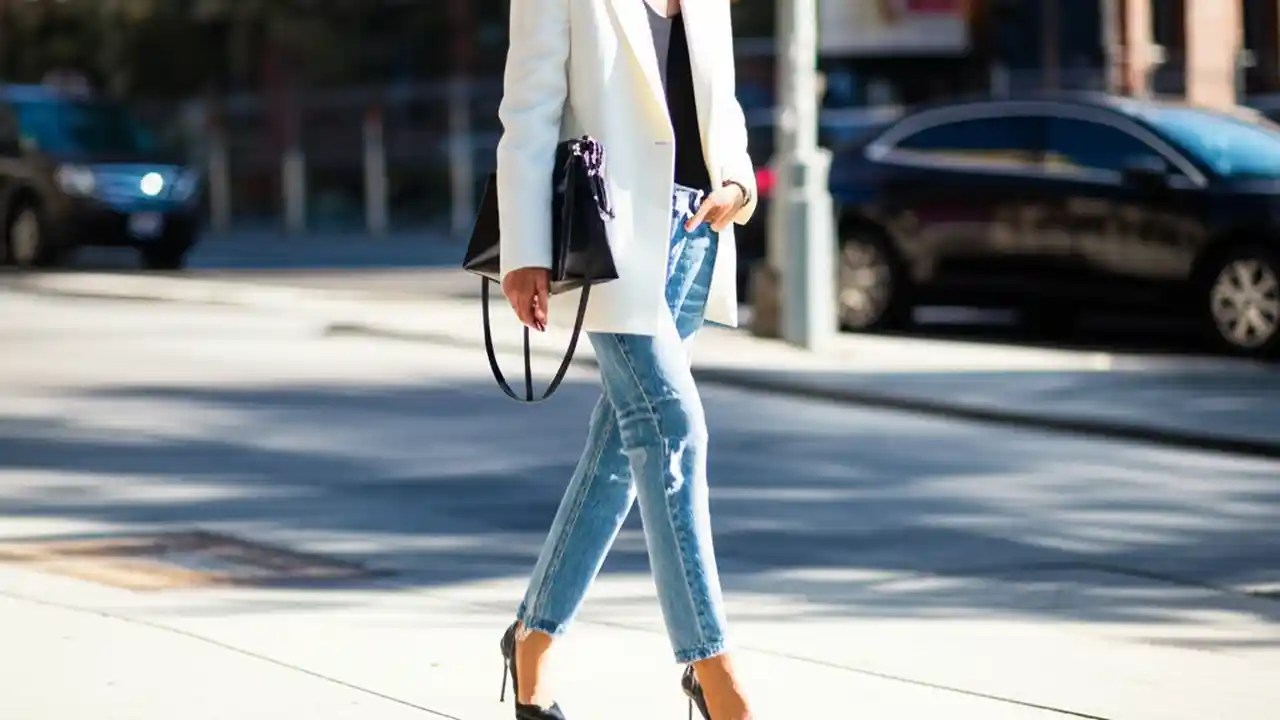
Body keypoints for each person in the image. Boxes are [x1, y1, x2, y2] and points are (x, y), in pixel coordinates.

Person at [493, 0, 759, 718]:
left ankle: (531, 639)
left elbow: (721, 98)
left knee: (617, 450)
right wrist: (524, 249)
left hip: (697, 231)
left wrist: (738, 183)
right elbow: (530, 108)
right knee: (672, 428)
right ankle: (713, 669)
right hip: (607, 236)